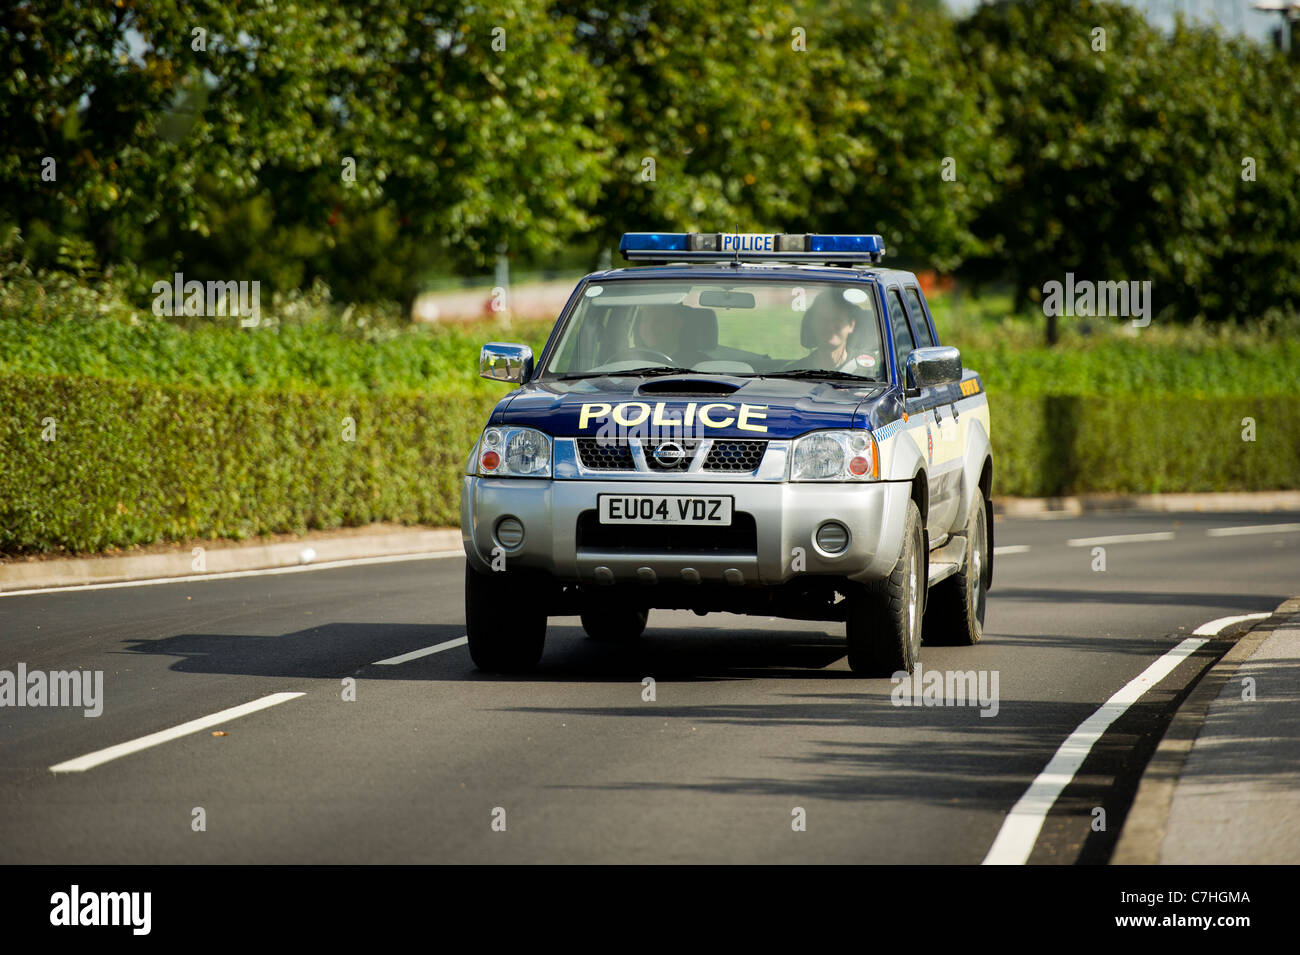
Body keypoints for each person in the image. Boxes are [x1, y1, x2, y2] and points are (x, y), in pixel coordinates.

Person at [788, 290, 876, 374]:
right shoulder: (794, 373)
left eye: (837, 320)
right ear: (813, 325)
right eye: (823, 320)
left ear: (851, 325)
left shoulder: (868, 372)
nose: (830, 327)